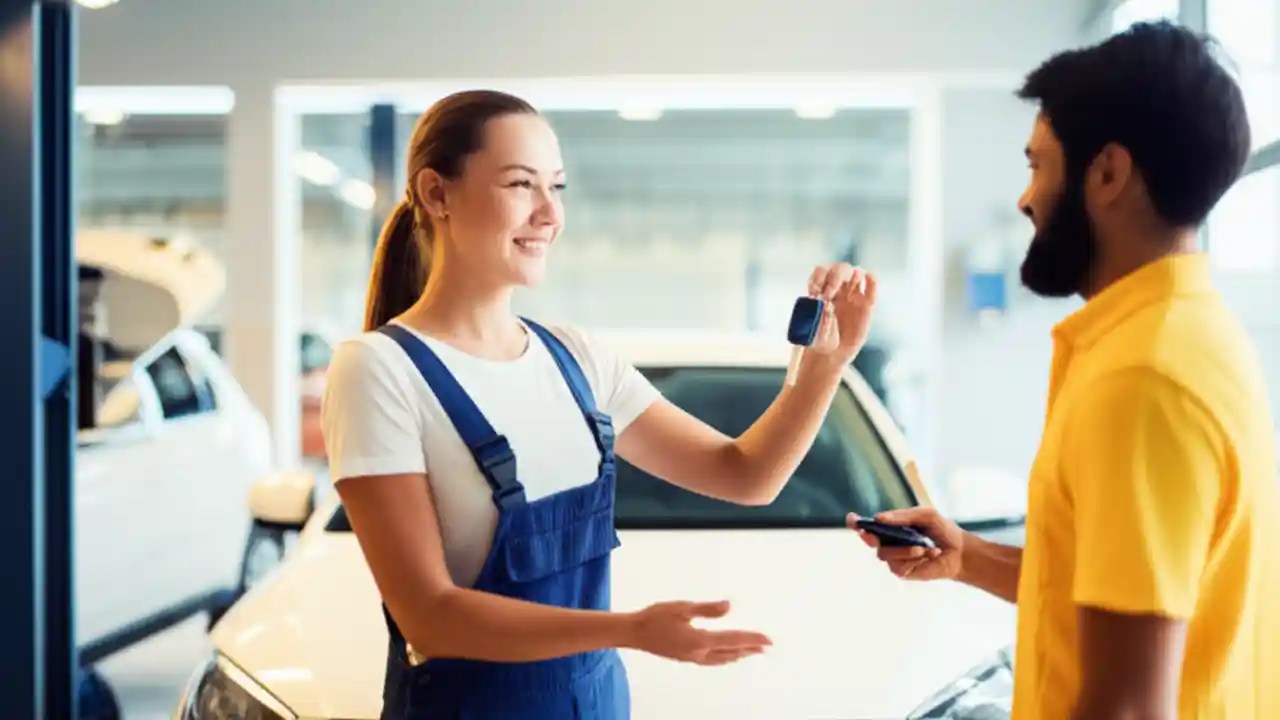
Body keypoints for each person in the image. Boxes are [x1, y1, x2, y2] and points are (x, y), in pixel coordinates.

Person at [320, 89, 878, 720]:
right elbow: (431, 617)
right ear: (436, 193)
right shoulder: (379, 369)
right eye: (521, 184)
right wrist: (630, 630)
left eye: (556, 187)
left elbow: (745, 475)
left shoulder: (577, 358)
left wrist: (825, 367)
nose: (549, 213)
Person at [852, 21, 1279, 720]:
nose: (1025, 199)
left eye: (1037, 165)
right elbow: (1126, 597)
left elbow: (1129, 707)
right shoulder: (1193, 336)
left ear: (1107, 173)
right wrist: (967, 557)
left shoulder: (1143, 378)